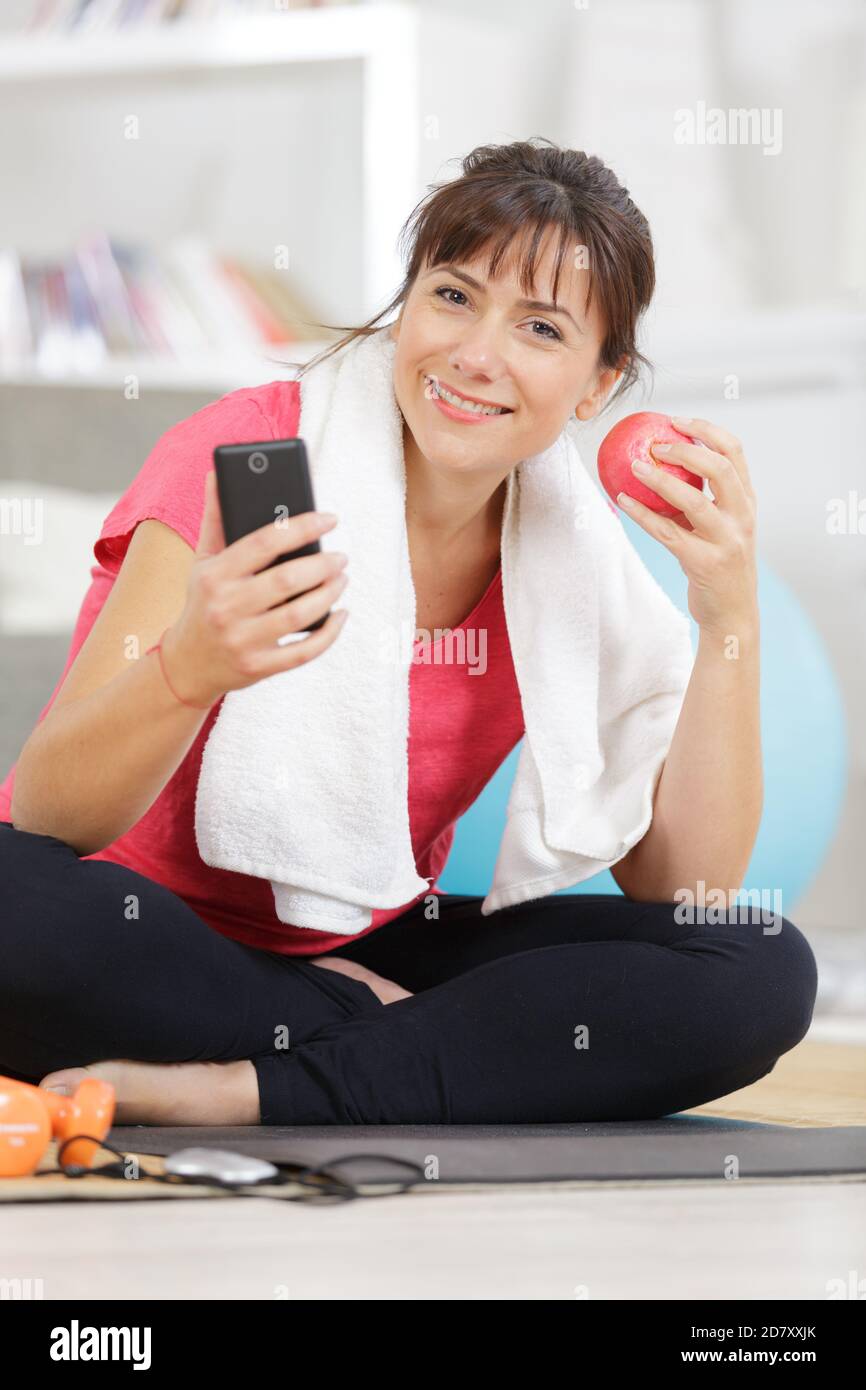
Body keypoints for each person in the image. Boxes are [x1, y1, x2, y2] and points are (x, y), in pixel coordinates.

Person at [0, 139, 816, 1127]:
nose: (474, 355)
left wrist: (726, 611)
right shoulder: (248, 458)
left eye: (541, 328)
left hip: (366, 934)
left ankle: (254, 1086)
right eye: (453, 295)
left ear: (597, 387)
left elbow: (680, 883)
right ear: (409, 302)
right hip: (135, 933)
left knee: (755, 962)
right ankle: (407, 1041)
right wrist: (191, 667)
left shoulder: (567, 545)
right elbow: (48, 814)